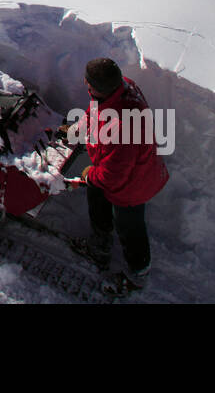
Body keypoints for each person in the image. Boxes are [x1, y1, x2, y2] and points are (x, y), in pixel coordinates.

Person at [72, 57, 169, 291]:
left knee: (130, 227)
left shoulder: (124, 127)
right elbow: (96, 109)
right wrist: (82, 126)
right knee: (97, 196)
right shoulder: (120, 86)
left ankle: (137, 274)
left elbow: (113, 176)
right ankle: (100, 245)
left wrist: (88, 176)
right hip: (118, 168)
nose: (86, 85)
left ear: (96, 86)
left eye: (89, 84)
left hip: (133, 185)